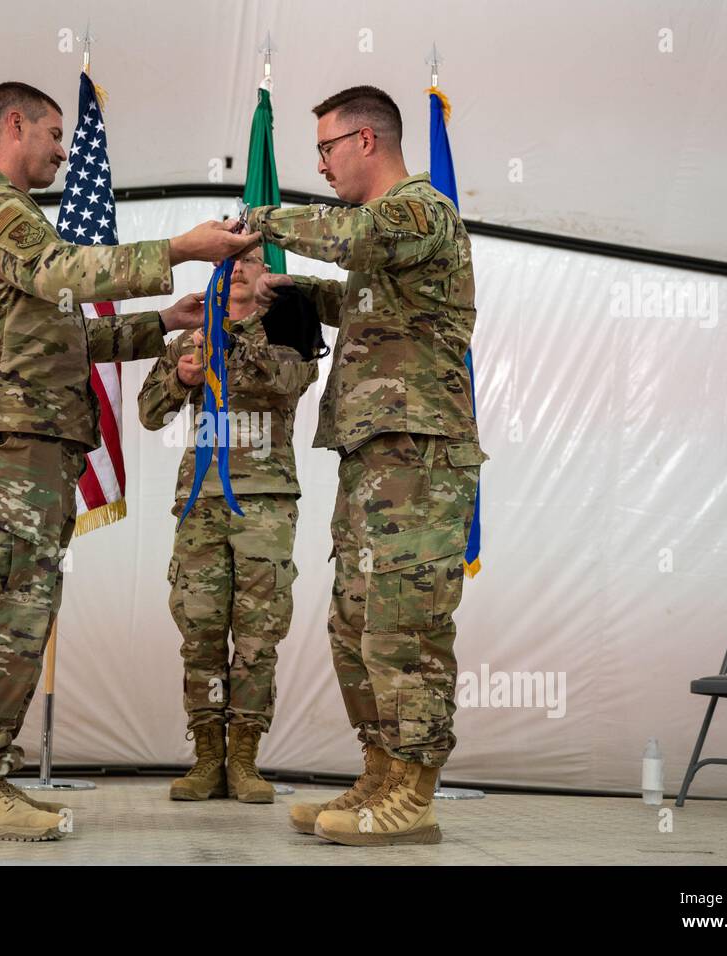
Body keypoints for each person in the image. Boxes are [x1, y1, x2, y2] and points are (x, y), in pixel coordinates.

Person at [0, 81, 261, 842]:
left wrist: (162, 323)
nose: (62, 150)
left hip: (29, 439)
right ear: (13, 125)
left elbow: (67, 342)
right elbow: (62, 273)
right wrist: (180, 251)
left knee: (18, 610)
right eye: (53, 133)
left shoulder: (12, 221)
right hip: (5, 442)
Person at [248, 85, 488, 846]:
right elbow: (362, 295)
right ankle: (381, 772)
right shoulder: (384, 239)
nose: (319, 165)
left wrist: (255, 223)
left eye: (324, 149)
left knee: (403, 626)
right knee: (354, 623)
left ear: (364, 141)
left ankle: (413, 793)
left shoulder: (420, 211)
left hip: (419, 457)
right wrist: (286, 290)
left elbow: (356, 242)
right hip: (372, 455)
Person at [138, 245, 318, 803]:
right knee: (201, 632)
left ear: (270, 273)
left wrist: (227, 337)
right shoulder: (190, 335)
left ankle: (244, 757)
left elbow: (289, 380)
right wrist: (182, 378)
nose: (238, 267)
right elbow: (149, 412)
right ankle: (207, 758)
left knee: (259, 634)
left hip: (264, 502)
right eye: (230, 259)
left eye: (252, 260)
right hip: (201, 502)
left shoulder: (288, 323)